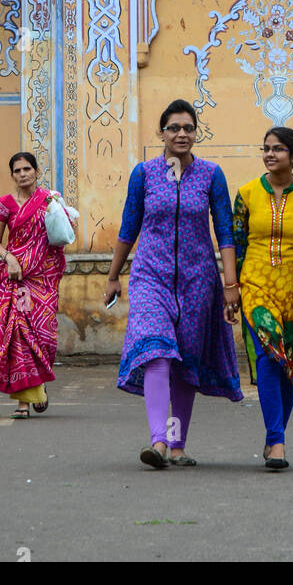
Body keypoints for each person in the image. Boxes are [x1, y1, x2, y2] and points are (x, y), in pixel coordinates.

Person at [104, 99, 242, 470]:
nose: (182, 134)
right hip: (151, 277)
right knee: (157, 351)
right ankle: (159, 441)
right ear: (161, 133)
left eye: (188, 128)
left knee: (187, 362)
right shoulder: (144, 174)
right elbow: (128, 228)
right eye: (174, 128)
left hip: (199, 281)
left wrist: (231, 285)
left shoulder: (211, 175)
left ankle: (178, 444)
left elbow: (225, 232)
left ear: (197, 133)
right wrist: (114, 275)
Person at [232, 126, 293, 471]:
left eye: (278, 149)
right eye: (266, 148)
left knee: (291, 365)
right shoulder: (246, 194)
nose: (270, 154)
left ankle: (274, 438)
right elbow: (236, 245)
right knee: (270, 356)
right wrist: (232, 288)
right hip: (256, 285)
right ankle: (278, 440)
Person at [0, 152, 67, 418]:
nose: (22, 174)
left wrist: (63, 217)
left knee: (44, 338)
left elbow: (62, 235)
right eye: (17, 170)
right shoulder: (5, 204)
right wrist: (10, 259)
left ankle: (38, 386)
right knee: (19, 334)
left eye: (27, 169)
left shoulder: (51, 199)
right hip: (18, 280)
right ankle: (22, 403)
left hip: (44, 278)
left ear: (37, 172)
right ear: (12, 175)